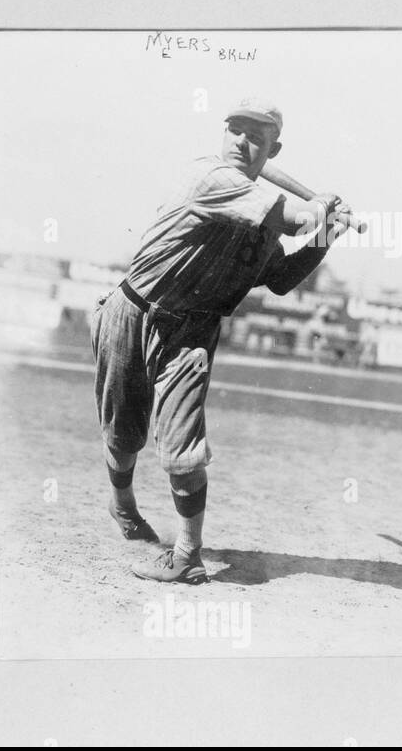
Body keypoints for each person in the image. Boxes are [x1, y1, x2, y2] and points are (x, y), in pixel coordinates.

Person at [92, 98, 356, 584]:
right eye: (235, 129)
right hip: (133, 311)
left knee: (181, 446)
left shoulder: (260, 221)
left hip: (191, 332)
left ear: (273, 148)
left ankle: (187, 553)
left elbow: (279, 277)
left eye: (256, 136)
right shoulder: (210, 178)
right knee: (123, 432)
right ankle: (122, 504)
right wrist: (319, 211)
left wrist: (327, 237)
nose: (242, 141)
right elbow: (296, 219)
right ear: (224, 133)